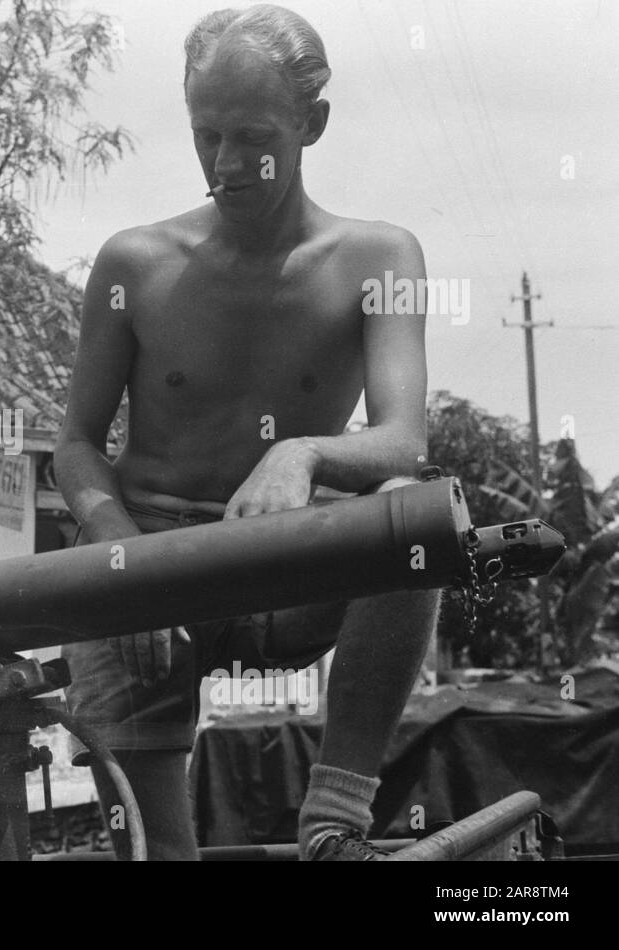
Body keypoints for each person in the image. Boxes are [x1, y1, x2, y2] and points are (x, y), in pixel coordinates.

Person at [55, 5, 440, 861]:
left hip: (289, 561)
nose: (226, 164)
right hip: (151, 571)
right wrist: (124, 557)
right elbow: (76, 444)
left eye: (253, 136)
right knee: (163, 858)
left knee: (417, 516)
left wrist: (299, 451)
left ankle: (337, 816)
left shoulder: (380, 258)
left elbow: (405, 440)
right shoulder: (133, 263)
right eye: (206, 134)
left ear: (313, 124)